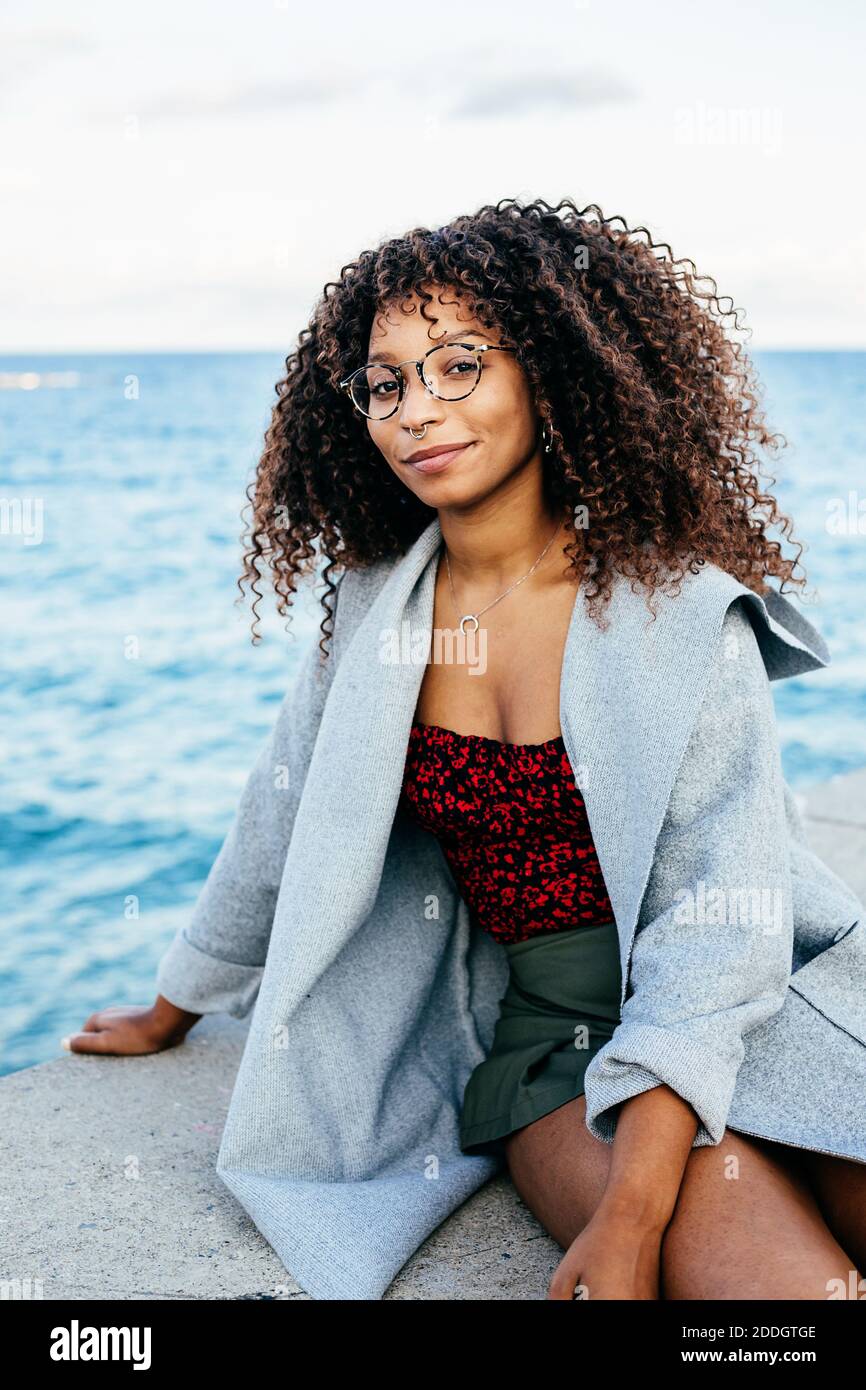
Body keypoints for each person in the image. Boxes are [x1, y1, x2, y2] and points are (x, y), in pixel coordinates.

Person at [62, 198, 866, 1301]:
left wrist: (631, 1217)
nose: (416, 413)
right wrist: (177, 1003)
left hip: (760, 1001)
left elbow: (715, 930)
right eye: (385, 383)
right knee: (783, 1305)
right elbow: (278, 817)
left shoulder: (677, 612)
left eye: (457, 366)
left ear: (546, 372)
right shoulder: (374, 613)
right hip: (552, 1044)